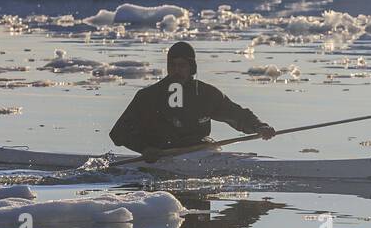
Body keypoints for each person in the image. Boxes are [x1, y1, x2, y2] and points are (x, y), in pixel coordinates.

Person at [110, 41, 275, 161]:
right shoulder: (149, 96)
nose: (176, 70)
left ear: (192, 68)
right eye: (172, 65)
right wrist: (144, 149)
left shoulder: (206, 94)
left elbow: (237, 115)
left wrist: (259, 126)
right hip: (162, 158)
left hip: (200, 154)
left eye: (181, 65)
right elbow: (118, 133)